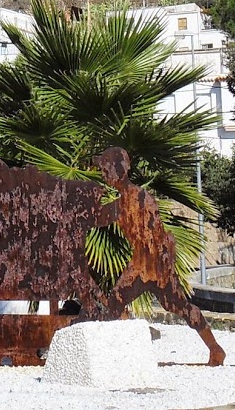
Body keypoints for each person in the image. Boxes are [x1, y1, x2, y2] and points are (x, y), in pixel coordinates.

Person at [94, 147, 226, 366]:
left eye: (105, 169)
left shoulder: (140, 198)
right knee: (179, 307)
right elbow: (99, 217)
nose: (103, 174)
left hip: (150, 265)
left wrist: (149, 269)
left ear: (118, 170)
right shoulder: (123, 201)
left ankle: (116, 356)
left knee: (118, 302)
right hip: (151, 265)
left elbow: (154, 235)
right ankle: (214, 348)